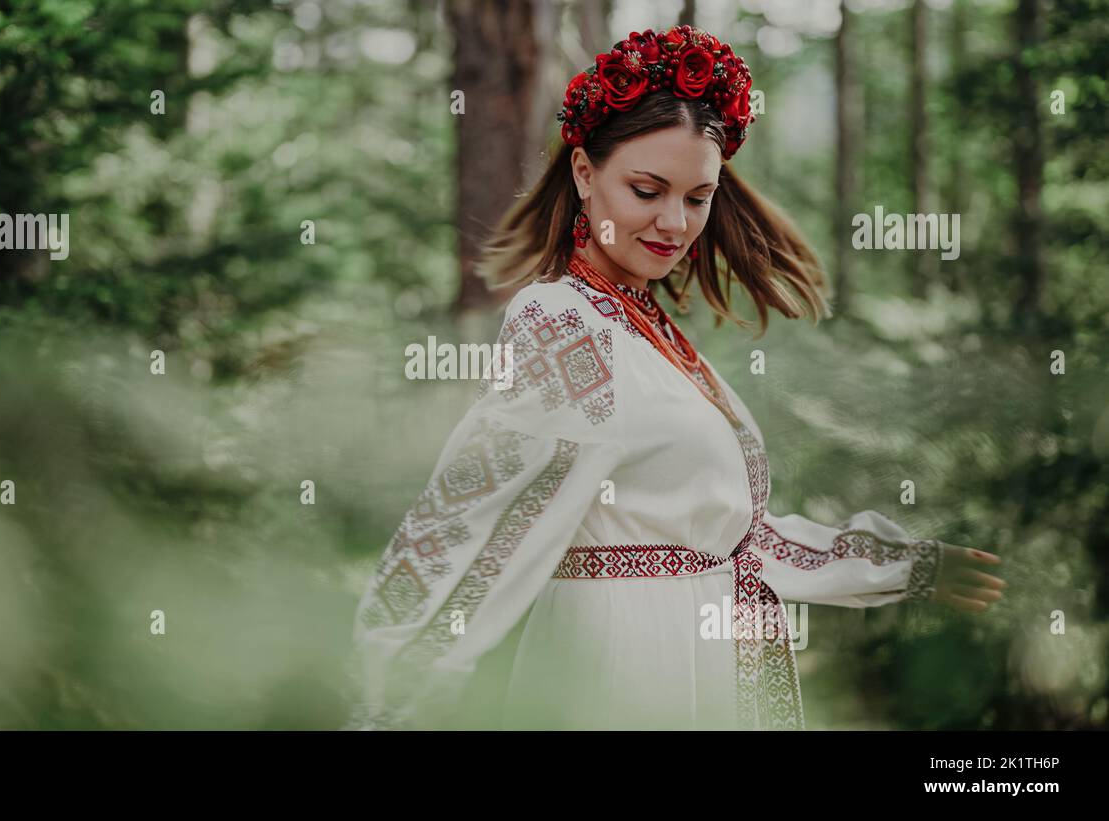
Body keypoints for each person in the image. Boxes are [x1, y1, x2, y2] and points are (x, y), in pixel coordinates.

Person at [343, 24, 1004, 731]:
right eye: (648, 189)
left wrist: (903, 565)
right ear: (583, 173)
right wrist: (384, 700)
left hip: (703, 662)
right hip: (625, 667)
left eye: (697, 197)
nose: (674, 222)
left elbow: (739, 541)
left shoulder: (647, 333)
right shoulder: (561, 321)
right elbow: (470, 518)